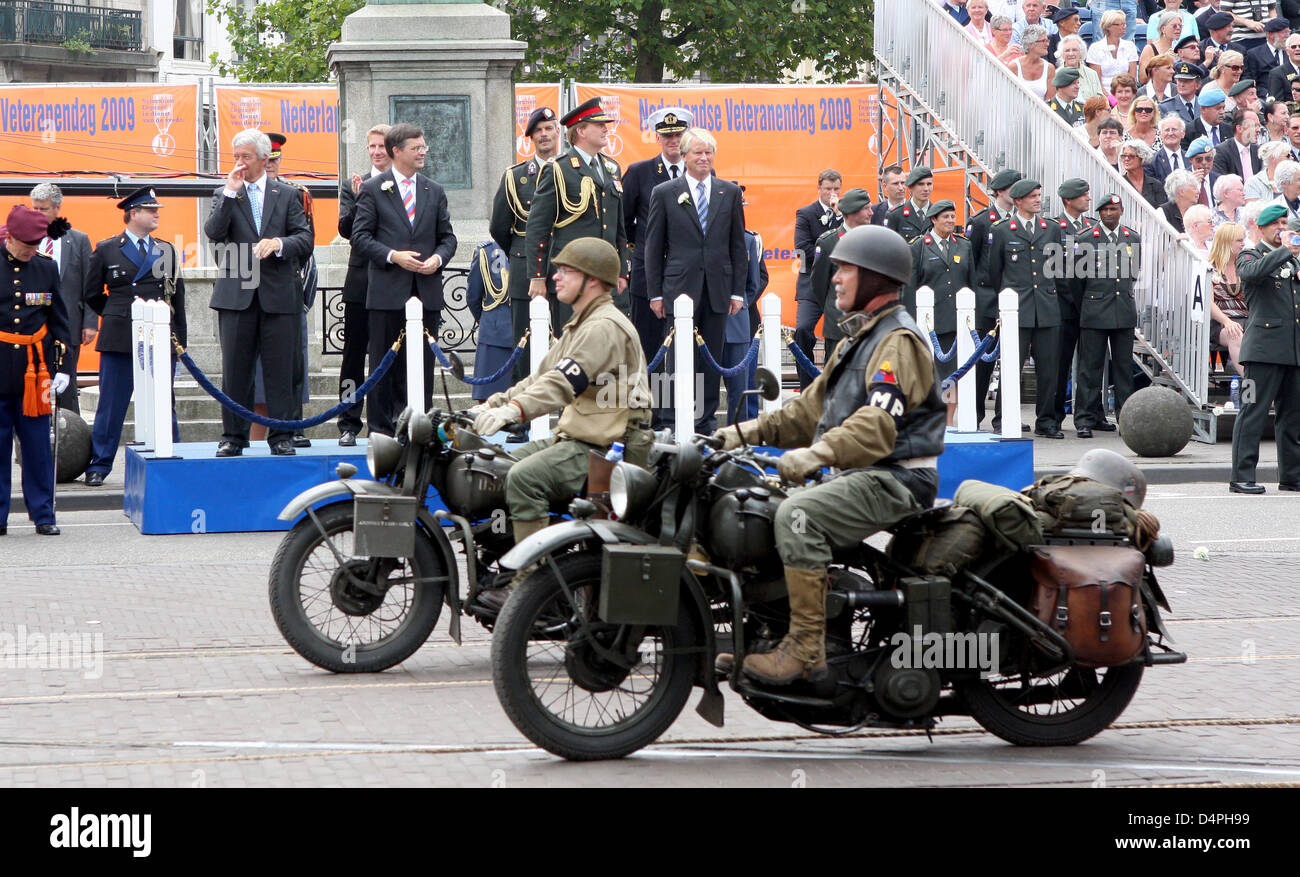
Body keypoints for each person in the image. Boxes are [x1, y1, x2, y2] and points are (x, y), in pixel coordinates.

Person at [711, 225, 945, 686]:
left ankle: (804, 650)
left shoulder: (898, 343)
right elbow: (805, 411)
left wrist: (816, 454)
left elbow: (877, 424)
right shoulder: (858, 339)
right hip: (864, 472)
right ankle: (774, 624)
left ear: (876, 279)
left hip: (896, 476)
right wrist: (738, 434)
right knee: (758, 504)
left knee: (800, 516)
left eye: (845, 269)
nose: (834, 278)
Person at [471, 238, 653, 609]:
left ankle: (534, 590)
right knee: (504, 467)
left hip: (610, 446)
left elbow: (561, 383)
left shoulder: (603, 328)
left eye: (566, 271)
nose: (555, 277)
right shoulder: (581, 323)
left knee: (525, 479)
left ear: (592, 280)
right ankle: (538, 562)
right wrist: (496, 402)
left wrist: (515, 412)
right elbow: (542, 375)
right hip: (584, 436)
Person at [204, 128, 313, 457]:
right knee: (236, 370)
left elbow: (304, 239)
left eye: (246, 157)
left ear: (265, 159)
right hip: (237, 295)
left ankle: (281, 436)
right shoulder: (224, 193)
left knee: (281, 370)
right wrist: (228, 193)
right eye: (236, 156)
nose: (239, 163)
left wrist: (278, 243)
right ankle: (233, 437)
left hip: (279, 295)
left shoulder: (288, 194)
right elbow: (213, 232)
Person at [350, 122, 458, 438]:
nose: (423, 152)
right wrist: (393, 256)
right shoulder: (373, 188)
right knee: (385, 362)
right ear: (397, 151)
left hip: (425, 292)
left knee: (423, 364)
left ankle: (419, 426)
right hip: (387, 291)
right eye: (416, 148)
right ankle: (381, 430)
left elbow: (447, 237)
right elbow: (360, 236)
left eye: (424, 147)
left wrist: (437, 259)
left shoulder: (433, 190)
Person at [643, 127, 747, 433]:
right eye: (698, 152)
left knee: (710, 359)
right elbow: (653, 247)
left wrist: (737, 292)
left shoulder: (729, 193)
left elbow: (737, 247)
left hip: (717, 290)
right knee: (675, 360)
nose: (704, 158)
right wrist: (655, 294)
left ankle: (704, 423)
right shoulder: (665, 193)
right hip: (677, 291)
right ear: (685, 156)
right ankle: (674, 420)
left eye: (708, 152)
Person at [83, 187, 186, 487]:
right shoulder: (107, 249)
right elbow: (91, 294)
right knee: (111, 405)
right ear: (133, 214)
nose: (157, 214)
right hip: (120, 337)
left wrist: (180, 342)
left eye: (157, 209)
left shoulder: (165, 250)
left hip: (158, 337)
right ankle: (100, 464)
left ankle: (172, 456)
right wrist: (117, 313)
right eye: (150, 209)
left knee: (163, 403)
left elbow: (177, 299)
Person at [524, 97, 630, 333]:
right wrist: (538, 276)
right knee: (575, 344)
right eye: (599, 124)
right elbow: (538, 227)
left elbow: (618, 227)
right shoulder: (558, 169)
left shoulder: (612, 168)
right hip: (574, 275)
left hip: (606, 275)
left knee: (607, 345)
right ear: (580, 130)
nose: (606, 129)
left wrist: (622, 270)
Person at [0, 205, 73, 536]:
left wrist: (65, 366)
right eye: (26, 247)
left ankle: (44, 514)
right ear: (10, 238)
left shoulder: (46, 267)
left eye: (35, 247)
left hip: (37, 372)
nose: (31, 253)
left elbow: (59, 317)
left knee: (38, 448)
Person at [1229, 202, 1300, 493]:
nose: (1283, 229)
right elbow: (1252, 274)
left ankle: (1292, 475)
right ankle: (1242, 476)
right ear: (1261, 228)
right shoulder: (1250, 254)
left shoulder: (1293, 261)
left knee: (1293, 416)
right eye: (1277, 225)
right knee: (1252, 412)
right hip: (1261, 351)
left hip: (1292, 350)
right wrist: (1286, 250)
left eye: (1286, 224)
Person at [987, 178, 1065, 437]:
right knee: (1011, 366)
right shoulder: (1001, 230)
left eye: (1039, 195)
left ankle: (1046, 421)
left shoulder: (1051, 229)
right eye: (1032, 196)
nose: (1037, 200)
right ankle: (1004, 418)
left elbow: (1057, 268)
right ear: (1018, 201)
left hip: (1046, 306)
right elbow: (995, 273)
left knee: (1049, 369)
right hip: (1016, 308)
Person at [490, 105, 561, 385]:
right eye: (538, 131)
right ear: (530, 137)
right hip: (524, 269)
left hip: (566, 265)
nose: (544, 135)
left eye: (548, 129)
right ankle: (523, 413)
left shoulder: (571, 170)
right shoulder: (516, 176)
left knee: (566, 339)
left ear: (557, 132)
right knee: (525, 342)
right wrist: (521, 254)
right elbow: (498, 226)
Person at [255, 132, 315, 450]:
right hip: (255, 287)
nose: (272, 166)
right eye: (268, 161)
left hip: (287, 283)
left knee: (294, 363)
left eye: (276, 161)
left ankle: (294, 425)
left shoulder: (296, 194)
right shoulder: (244, 195)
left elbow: (306, 245)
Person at [621, 106, 691, 374]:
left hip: (687, 274)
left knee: (686, 349)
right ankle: (650, 411)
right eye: (667, 136)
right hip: (648, 275)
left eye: (678, 135)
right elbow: (624, 222)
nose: (673, 141)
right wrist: (641, 249)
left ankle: (684, 411)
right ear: (658, 138)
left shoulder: (700, 171)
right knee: (649, 348)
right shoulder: (640, 173)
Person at [336, 122, 391, 446]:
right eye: (371, 147)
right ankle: (348, 422)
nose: (376, 152)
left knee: (386, 355)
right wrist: (358, 200)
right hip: (360, 280)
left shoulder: (401, 185)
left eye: (381, 146)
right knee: (353, 356)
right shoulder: (353, 184)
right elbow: (346, 229)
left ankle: (383, 422)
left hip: (391, 281)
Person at [1074, 193, 1140, 436]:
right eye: (1105, 210)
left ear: (1121, 211)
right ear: (1099, 213)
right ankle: (1084, 418)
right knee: (1090, 369)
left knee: (1124, 368)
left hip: (1123, 309)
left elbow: (1133, 274)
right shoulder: (1086, 239)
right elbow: (1076, 281)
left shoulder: (1131, 237)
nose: (1110, 214)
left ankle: (1126, 419)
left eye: (1114, 209)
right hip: (1095, 310)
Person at [967, 168, 1022, 428]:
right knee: (983, 364)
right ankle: (975, 415)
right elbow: (973, 262)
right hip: (987, 299)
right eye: (1013, 187)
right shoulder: (981, 222)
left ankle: (1005, 416)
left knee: (1012, 362)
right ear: (1000, 190)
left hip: (1014, 299)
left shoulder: (1020, 219)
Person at [29, 184, 91, 416]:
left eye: (43, 209)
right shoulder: (23, 240)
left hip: (70, 323)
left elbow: (88, 283)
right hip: (33, 324)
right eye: (34, 208)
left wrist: (90, 323)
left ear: (57, 208)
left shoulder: (78, 239)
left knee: (67, 382)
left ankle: (69, 437)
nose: (37, 213)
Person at [908, 200, 972, 423]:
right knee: (930, 373)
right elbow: (910, 286)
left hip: (957, 320)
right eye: (945, 217)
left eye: (953, 217)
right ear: (933, 219)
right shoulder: (919, 246)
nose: (950, 221)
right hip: (930, 322)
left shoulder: (964, 246)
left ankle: (947, 420)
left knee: (952, 374)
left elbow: (970, 281)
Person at [809, 188, 875, 384]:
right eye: (867, 209)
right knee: (836, 383)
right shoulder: (829, 242)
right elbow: (819, 284)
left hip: (870, 325)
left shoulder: (875, 239)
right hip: (839, 326)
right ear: (854, 212)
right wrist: (834, 307)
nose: (871, 213)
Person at [793, 169, 844, 389]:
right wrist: (830, 253)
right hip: (811, 284)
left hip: (839, 285)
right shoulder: (805, 214)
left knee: (840, 333)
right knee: (803, 329)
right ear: (819, 189)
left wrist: (840, 216)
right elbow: (802, 248)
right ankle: (808, 384)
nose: (832, 193)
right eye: (828, 189)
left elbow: (851, 243)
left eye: (836, 189)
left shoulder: (846, 214)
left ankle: (834, 384)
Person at [1052, 178, 1094, 432]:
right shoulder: (1056, 228)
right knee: (1061, 364)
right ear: (1069, 200)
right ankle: (1055, 415)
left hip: (1089, 306)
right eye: (1083, 195)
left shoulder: (1092, 226)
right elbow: (1057, 271)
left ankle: (1091, 414)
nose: (1089, 199)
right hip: (1065, 308)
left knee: (1091, 364)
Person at [723, 204, 768, 425]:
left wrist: (739, 305)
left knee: (739, 390)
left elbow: (754, 283)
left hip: (738, 326)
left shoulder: (749, 240)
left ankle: (736, 440)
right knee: (699, 387)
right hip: (702, 325)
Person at [465, 240, 514, 401]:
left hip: (497, 331)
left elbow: (473, 297)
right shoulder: (486, 252)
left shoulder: (487, 251)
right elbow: (474, 296)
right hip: (495, 337)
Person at [1208, 221, 1250, 374]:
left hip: (1247, 318)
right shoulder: (1209, 268)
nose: (1243, 244)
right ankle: (1251, 381)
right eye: (1239, 240)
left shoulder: (1245, 266)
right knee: (1235, 334)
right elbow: (1209, 303)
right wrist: (1227, 321)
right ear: (1226, 242)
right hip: (1220, 322)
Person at [1088, 10, 1141, 93]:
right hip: (1103, 96)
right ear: (1108, 26)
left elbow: (1133, 79)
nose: (1124, 27)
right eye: (1120, 24)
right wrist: (1111, 100)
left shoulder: (1130, 46)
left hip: (1127, 95)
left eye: (1124, 24)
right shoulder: (1095, 48)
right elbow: (1097, 83)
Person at [885, 166, 935, 243]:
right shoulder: (895, 214)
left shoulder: (938, 213)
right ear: (911, 187)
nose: (926, 189)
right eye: (921, 184)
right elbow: (889, 247)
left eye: (929, 184)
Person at [1213, 108, 1265, 175]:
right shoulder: (1222, 151)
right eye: (1254, 126)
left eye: (1258, 126)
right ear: (1239, 128)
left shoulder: (1259, 151)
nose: (1258, 130)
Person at [1011, 25, 1056, 99]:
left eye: (1047, 40)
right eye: (1043, 41)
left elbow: (1050, 101)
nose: (1047, 44)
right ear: (1031, 44)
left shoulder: (1049, 68)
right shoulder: (1014, 67)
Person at [1058, 34, 1105, 101]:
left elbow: (1101, 100)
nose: (1071, 54)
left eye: (1074, 50)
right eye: (1067, 50)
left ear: (1081, 53)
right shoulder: (1056, 75)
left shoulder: (1092, 74)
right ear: (1062, 54)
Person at [1140, 15, 1186, 83]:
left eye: (1180, 26)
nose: (1178, 28)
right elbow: (1143, 78)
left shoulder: (1180, 48)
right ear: (1163, 29)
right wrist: (1163, 60)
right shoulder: (1150, 49)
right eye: (1174, 26)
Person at [1121, 139, 1168, 205]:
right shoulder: (1120, 182)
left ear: (1142, 158)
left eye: (1131, 156)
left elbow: (1161, 210)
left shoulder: (1155, 184)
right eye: (1124, 156)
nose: (1126, 159)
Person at [1161, 61, 1207, 127]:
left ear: (1197, 85)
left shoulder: (1204, 106)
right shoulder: (1165, 107)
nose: (1182, 84)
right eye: (1179, 80)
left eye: (1186, 81)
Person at [1245, 16, 1291, 81]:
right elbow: (1250, 80)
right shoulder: (1254, 54)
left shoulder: (1291, 51)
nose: (1287, 36)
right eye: (1284, 32)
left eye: (1288, 32)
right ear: (1270, 34)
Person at [1148, 114, 1191, 182]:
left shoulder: (1191, 158)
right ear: (1160, 135)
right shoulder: (1152, 161)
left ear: (1183, 134)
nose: (1170, 133)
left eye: (1174, 129)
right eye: (1167, 130)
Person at [1189, 135, 1224, 204]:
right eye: (1199, 159)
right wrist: (1191, 184)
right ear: (1191, 160)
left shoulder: (1219, 180)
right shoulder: (1183, 180)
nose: (1204, 163)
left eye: (1208, 159)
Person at [1266, 32, 1300, 97]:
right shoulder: (1277, 73)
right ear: (1287, 51)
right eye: (1293, 47)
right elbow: (1276, 103)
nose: (1297, 49)